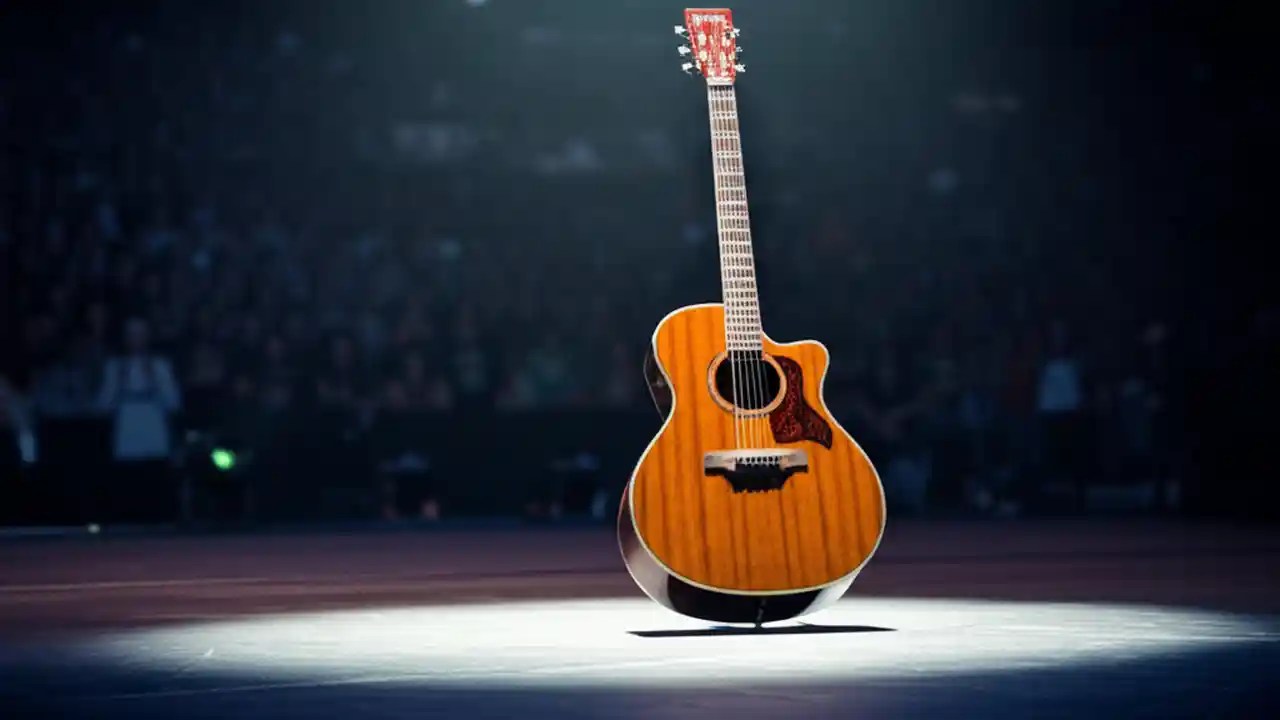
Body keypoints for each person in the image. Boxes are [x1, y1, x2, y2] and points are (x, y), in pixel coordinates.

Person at [97, 318, 182, 522]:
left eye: (140, 334)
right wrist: (118, 383)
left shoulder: (160, 365)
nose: (136, 340)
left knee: (156, 486)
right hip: (127, 434)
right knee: (129, 489)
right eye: (132, 335)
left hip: (154, 433)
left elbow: (174, 402)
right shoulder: (114, 367)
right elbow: (102, 405)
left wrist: (154, 379)